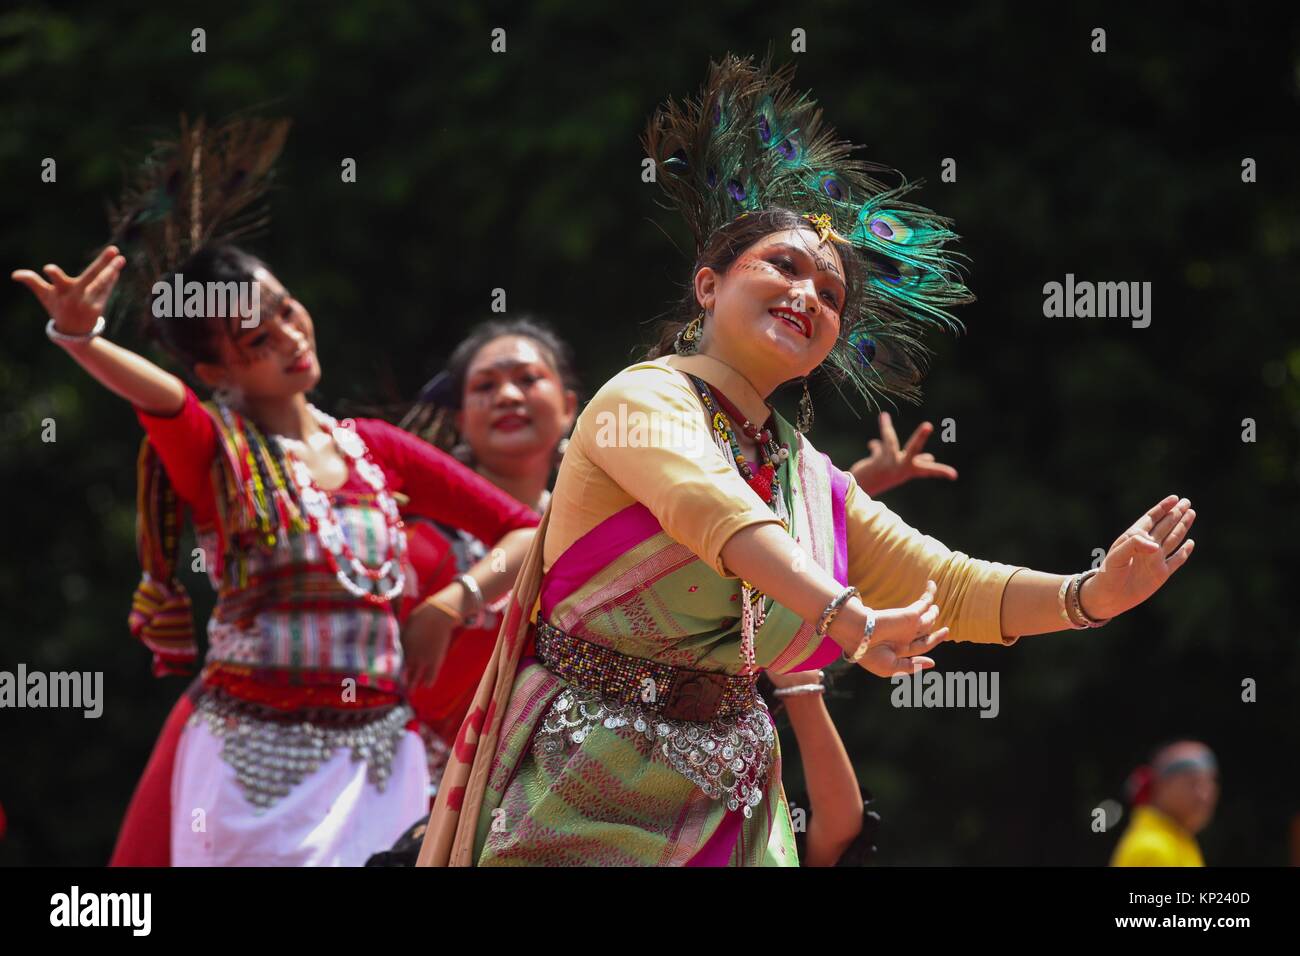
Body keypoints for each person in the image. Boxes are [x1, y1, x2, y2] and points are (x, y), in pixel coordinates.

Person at [415, 55, 1197, 867]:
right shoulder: (639, 400)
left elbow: (947, 583)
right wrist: (846, 619)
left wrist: (1091, 594)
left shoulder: (805, 476)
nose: (808, 295)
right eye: (782, 267)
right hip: (576, 792)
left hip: (732, 803)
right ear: (709, 284)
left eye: (829, 295)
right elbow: (716, 511)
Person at [12, 120, 538, 865]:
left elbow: (524, 530)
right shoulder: (215, 451)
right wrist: (83, 340)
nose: (291, 337)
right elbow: (161, 402)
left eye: (287, 310)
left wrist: (453, 603)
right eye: (257, 339)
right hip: (252, 767)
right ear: (218, 373)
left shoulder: (375, 448)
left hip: (377, 764)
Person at [1111, 740, 1218, 867]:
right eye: (1193, 783)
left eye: (1209, 783)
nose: (1204, 795)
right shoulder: (1153, 849)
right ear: (1161, 786)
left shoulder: (1178, 841)